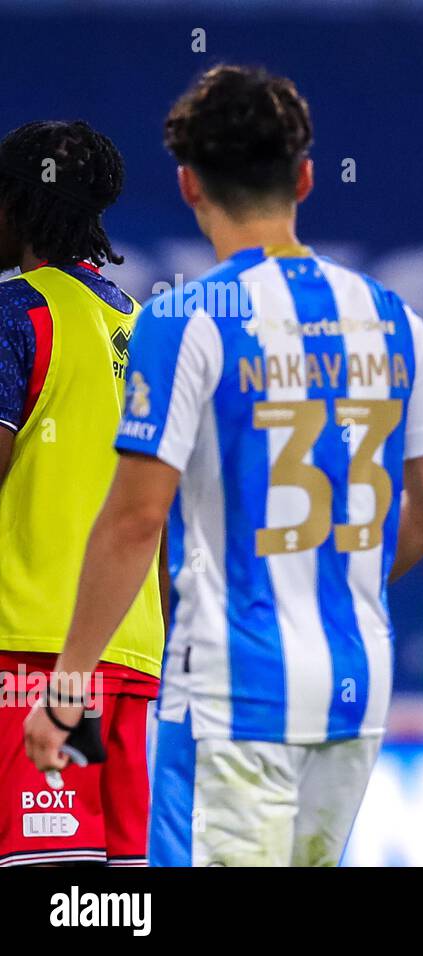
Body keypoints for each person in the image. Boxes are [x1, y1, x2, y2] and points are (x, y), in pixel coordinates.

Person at [23, 65, 423, 867]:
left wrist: (68, 682)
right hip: (353, 685)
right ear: (305, 176)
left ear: (189, 186)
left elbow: (137, 517)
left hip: (233, 687)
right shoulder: (394, 317)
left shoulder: (183, 317)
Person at [0, 120, 164, 868]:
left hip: (29, 660)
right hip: (131, 663)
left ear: (16, 206)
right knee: (108, 908)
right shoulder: (143, 328)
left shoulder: (18, 315)